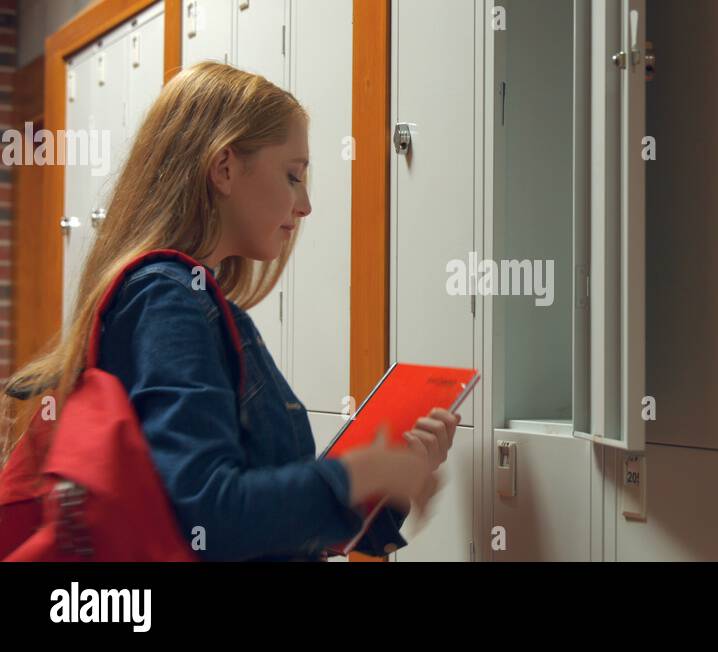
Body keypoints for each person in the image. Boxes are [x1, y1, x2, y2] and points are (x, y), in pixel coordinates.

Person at [0, 61, 458, 561]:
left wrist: (387, 483)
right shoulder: (167, 299)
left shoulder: (195, 299)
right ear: (223, 168)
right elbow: (209, 518)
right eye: (293, 175)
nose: (304, 205)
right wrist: (358, 475)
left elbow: (267, 528)